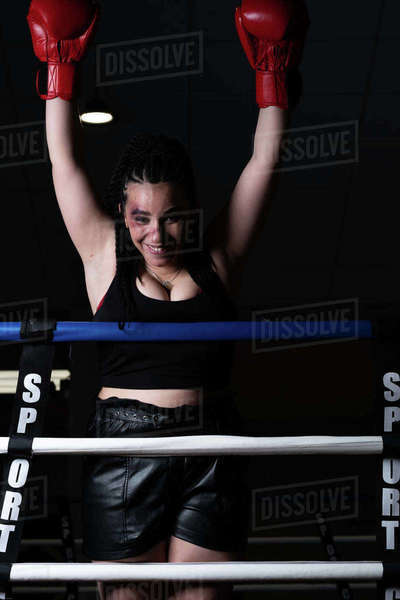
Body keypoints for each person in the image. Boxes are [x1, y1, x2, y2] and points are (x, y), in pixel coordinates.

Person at [26, 0, 309, 598]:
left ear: (193, 212)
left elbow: (265, 160)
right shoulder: (104, 258)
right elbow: (63, 160)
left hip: (212, 444)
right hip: (126, 448)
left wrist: (272, 74)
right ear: (122, 217)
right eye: (142, 218)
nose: (158, 234)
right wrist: (59, 72)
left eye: (174, 217)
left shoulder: (219, 259)